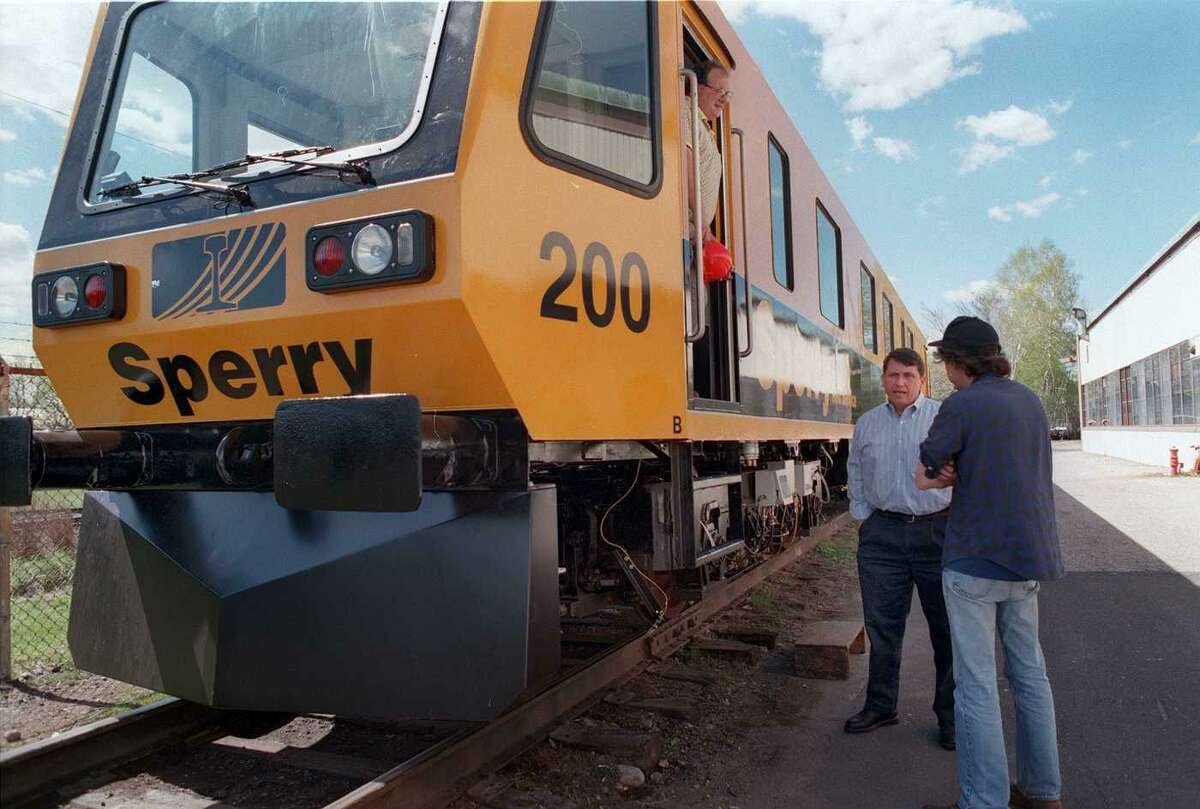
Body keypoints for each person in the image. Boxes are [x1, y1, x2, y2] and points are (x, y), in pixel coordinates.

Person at [916, 316, 1066, 809]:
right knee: (1030, 676)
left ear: (959, 362)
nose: (946, 372)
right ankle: (1044, 793)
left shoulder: (962, 404)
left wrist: (942, 476)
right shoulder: (1029, 400)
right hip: (1027, 563)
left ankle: (984, 801)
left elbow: (927, 470)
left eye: (945, 362)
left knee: (977, 685)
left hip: (974, 561)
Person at [845, 347, 956, 751]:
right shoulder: (868, 423)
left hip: (935, 535)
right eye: (893, 375)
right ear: (883, 379)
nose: (900, 383)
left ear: (922, 380)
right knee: (883, 626)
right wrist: (862, 512)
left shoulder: (943, 418)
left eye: (909, 375)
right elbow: (855, 468)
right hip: (882, 537)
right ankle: (880, 706)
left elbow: (965, 467)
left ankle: (951, 717)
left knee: (946, 630)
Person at [683, 60, 733, 284]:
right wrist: (704, 226)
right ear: (698, 87)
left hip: (694, 237)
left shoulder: (706, 128)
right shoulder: (686, 111)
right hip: (685, 233)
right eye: (720, 91)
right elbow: (686, 165)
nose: (724, 98)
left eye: (727, 93)